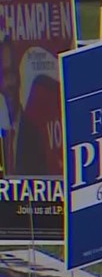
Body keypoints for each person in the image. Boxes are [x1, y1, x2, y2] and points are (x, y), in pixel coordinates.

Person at [0, 41, 62, 177]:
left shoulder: (33, 136)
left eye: (10, 73)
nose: (6, 84)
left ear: (19, 76)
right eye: (1, 76)